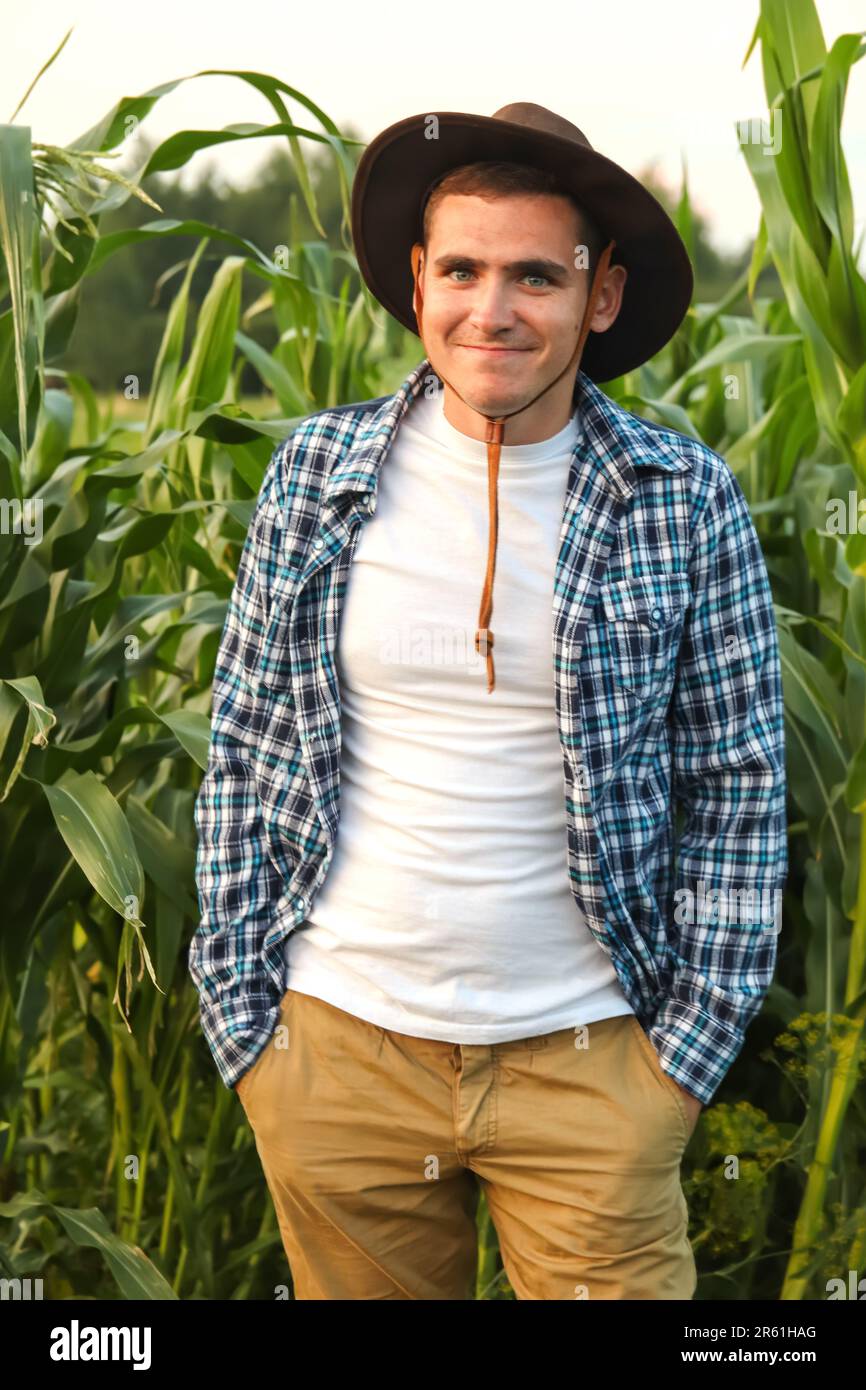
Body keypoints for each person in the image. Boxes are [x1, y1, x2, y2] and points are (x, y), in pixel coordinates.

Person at [190, 102, 788, 1300]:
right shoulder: (314, 477)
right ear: (418, 282)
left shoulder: (681, 497)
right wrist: (245, 1017)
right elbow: (245, 748)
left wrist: (679, 1060)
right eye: (460, 268)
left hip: (592, 1062)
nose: (492, 308)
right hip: (337, 1051)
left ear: (599, 296)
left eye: (534, 274)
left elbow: (737, 789)